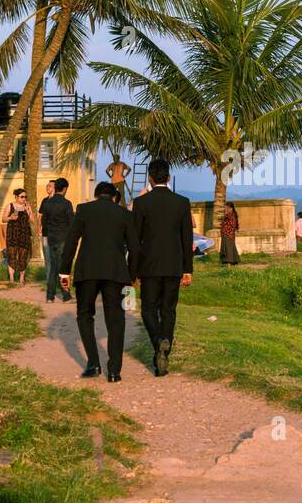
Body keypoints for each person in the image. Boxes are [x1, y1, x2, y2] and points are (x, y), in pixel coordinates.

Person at [59, 181, 137, 383]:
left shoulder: (84, 210)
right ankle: (114, 371)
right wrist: (132, 276)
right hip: (115, 272)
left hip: (88, 271)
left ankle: (93, 363)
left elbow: (72, 241)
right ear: (113, 197)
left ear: (96, 195)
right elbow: (136, 249)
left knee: (85, 314)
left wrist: (64, 272)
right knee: (116, 319)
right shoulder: (125, 214)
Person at [131, 158, 193, 377]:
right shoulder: (182, 202)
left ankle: (158, 341)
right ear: (168, 177)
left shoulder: (141, 204)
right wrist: (188, 270)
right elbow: (187, 239)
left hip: (148, 267)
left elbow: (134, 240)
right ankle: (164, 350)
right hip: (174, 266)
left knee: (148, 309)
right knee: (169, 310)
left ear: (149, 178)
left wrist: (133, 270)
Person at [38, 177, 74, 302]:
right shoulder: (67, 203)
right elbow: (72, 222)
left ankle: (50, 296)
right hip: (63, 238)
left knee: (53, 267)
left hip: (51, 238)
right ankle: (66, 295)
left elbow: (44, 222)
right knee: (63, 268)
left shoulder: (47, 203)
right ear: (64, 189)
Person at [2, 188, 35, 285]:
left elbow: (32, 220)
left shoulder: (27, 206)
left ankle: (21, 278)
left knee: (23, 256)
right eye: (22, 197)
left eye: (25, 197)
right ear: (16, 197)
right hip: (12, 234)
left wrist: (29, 211)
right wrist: (10, 218)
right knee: (11, 255)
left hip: (24, 234)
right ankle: (11, 278)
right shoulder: (10, 206)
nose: (24, 199)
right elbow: (3, 219)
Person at [39, 179, 56, 276]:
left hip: (56, 233)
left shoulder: (59, 201)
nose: (47, 187)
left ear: (55, 188)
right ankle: (49, 278)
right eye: (47, 186)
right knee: (47, 256)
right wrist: (39, 227)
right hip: (45, 232)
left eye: (49, 186)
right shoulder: (44, 200)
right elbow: (40, 215)